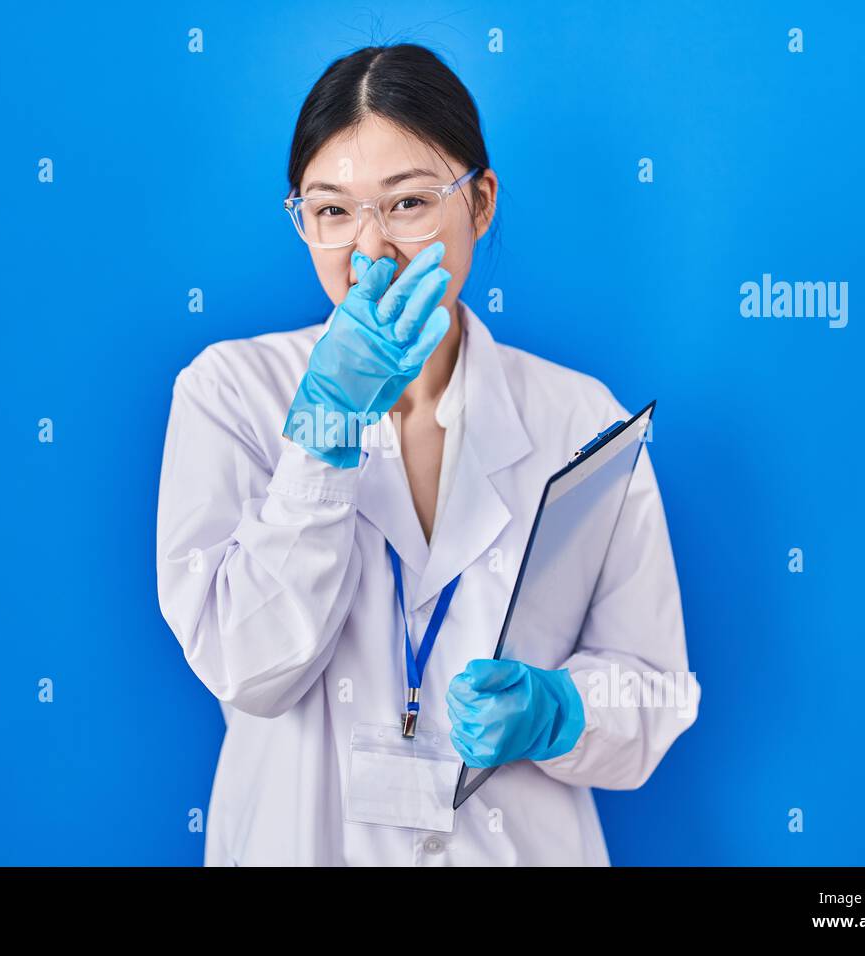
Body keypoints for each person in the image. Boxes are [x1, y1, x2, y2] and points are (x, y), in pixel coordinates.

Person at [155, 43, 699, 866]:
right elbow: (249, 668)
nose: (370, 252)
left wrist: (562, 711)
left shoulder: (580, 417)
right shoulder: (230, 394)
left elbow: (652, 690)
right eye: (332, 211)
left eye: (408, 204)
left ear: (479, 203)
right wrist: (323, 436)